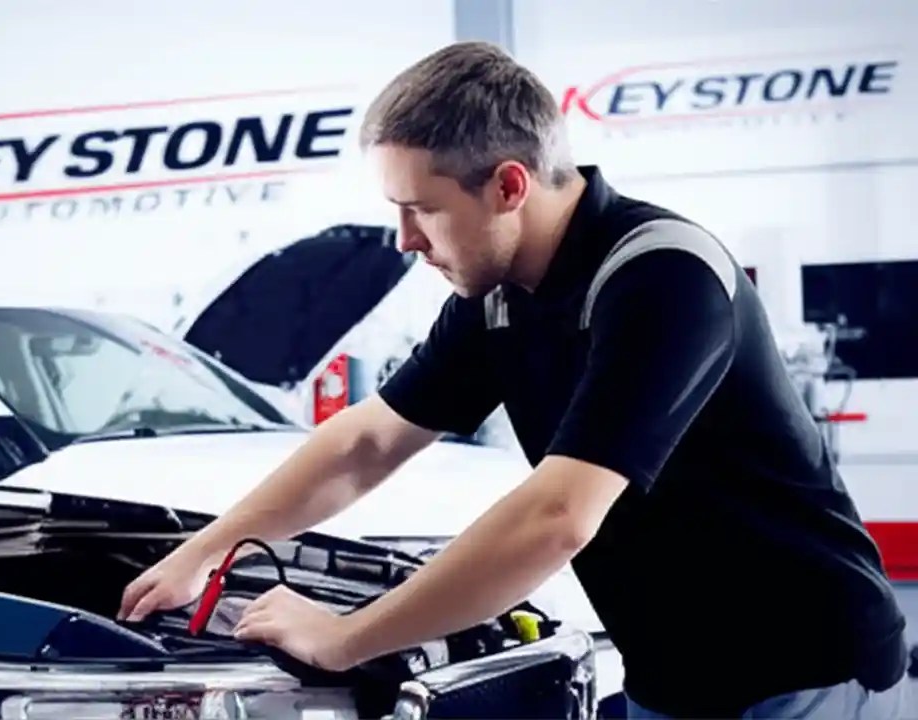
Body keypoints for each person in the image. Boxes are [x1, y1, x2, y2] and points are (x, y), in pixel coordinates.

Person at [117, 41, 911, 718]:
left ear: (507, 186)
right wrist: (207, 548)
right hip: (676, 674)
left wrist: (346, 635)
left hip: (804, 670)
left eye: (421, 210)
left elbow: (559, 514)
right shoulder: (497, 295)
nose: (403, 240)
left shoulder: (663, 275)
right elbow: (367, 442)